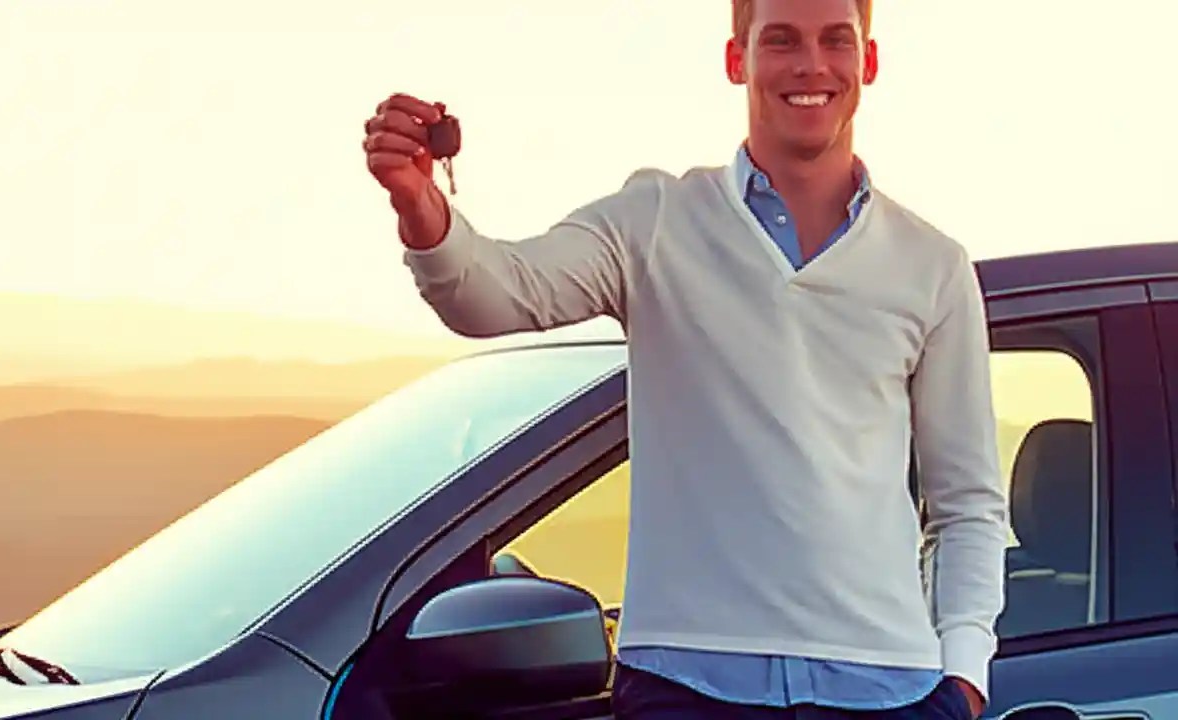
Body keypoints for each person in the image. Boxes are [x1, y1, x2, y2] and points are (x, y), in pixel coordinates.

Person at [361, 0, 1009, 717]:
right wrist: (422, 207)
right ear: (737, 58)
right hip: (687, 690)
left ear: (869, 61)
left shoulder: (932, 265)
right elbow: (498, 295)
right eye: (782, 40)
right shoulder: (655, 223)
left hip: (889, 690)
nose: (811, 65)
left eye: (836, 41)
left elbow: (967, 502)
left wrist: (963, 677)